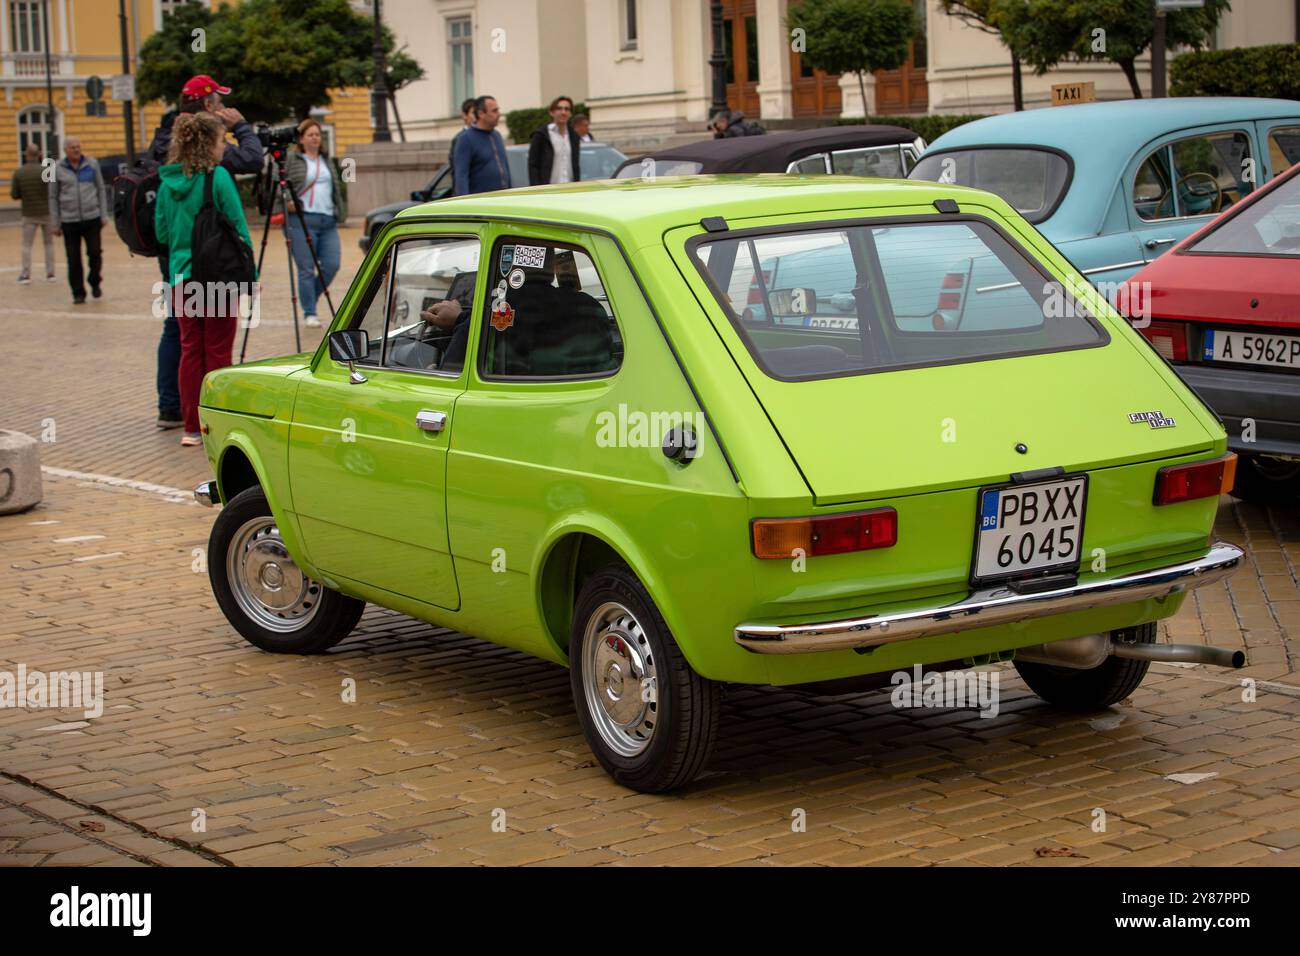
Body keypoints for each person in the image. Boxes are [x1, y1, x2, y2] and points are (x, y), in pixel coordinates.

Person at [147, 74, 262, 430]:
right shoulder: (218, 177)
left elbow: (161, 233)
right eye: (219, 142)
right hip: (218, 278)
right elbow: (240, 231)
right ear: (208, 143)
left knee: (189, 349)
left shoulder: (167, 182)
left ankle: (190, 426)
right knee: (217, 352)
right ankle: (214, 422)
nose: (222, 147)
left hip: (181, 275)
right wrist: (251, 278)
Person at [284, 118, 346, 328]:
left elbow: (335, 187)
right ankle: (309, 311)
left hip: (327, 219)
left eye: (318, 134)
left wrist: (341, 211)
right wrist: (286, 201)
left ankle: (312, 296)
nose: (315, 138)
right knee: (306, 269)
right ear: (301, 139)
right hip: (301, 219)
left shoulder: (326, 160)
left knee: (332, 264)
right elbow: (279, 183)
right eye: (310, 135)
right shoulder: (293, 159)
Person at [48, 137, 108, 304]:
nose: (76, 150)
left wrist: (103, 214)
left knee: (95, 253)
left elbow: (101, 189)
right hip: (69, 220)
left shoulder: (92, 164)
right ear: (65, 150)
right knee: (73, 258)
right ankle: (78, 293)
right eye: (73, 147)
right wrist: (55, 222)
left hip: (92, 217)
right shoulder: (56, 168)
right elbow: (52, 196)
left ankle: (95, 281)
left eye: (78, 147)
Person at [11, 143, 55, 284]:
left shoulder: (19, 172)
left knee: (26, 245)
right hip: (46, 212)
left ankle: (26, 274)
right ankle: (50, 273)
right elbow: (52, 192)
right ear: (39, 154)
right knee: (48, 243)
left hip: (28, 213)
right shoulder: (46, 171)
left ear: (26, 154)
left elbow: (14, 194)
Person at [452, 95, 511, 196]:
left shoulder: (497, 135)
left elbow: (505, 167)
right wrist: (464, 204)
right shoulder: (466, 139)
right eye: (494, 111)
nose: (499, 114)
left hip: (502, 200)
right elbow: (461, 175)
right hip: (481, 204)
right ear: (481, 114)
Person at [527, 95, 581, 186]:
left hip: (571, 190)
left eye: (567, 109)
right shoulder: (541, 135)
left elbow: (576, 166)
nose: (563, 112)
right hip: (549, 192)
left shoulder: (574, 136)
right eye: (559, 108)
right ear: (551, 112)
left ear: (570, 113)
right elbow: (533, 166)